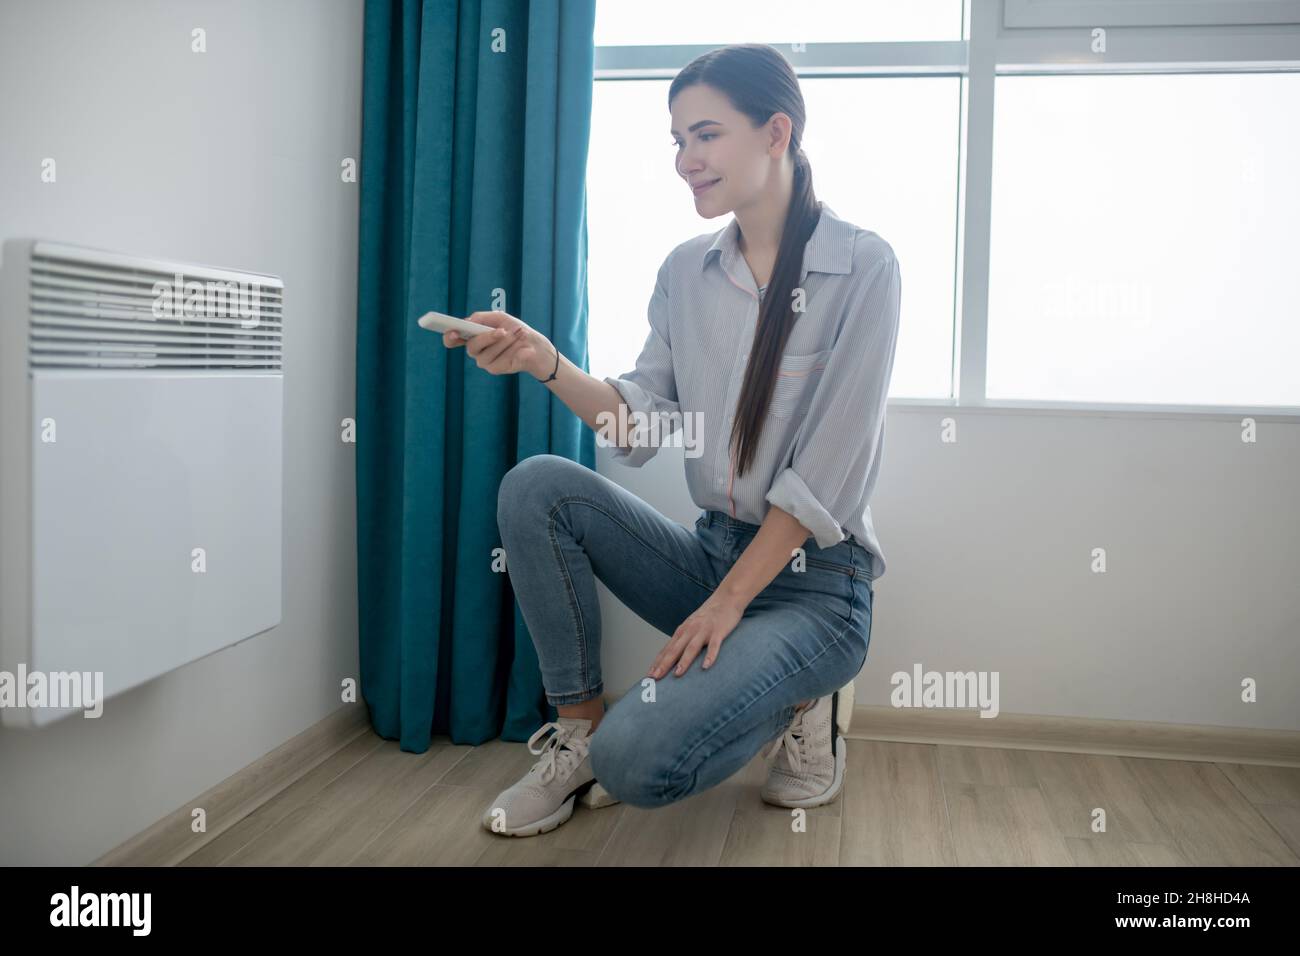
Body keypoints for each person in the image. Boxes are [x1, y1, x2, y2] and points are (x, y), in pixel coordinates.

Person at [442, 43, 902, 838]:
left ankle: (804, 698)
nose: (686, 160)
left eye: (706, 135)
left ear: (776, 132)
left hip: (818, 585)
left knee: (639, 763)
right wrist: (543, 361)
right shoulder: (686, 272)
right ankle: (577, 736)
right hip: (713, 552)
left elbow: (825, 478)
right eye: (678, 141)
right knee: (537, 486)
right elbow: (639, 426)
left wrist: (727, 606)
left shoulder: (864, 267)